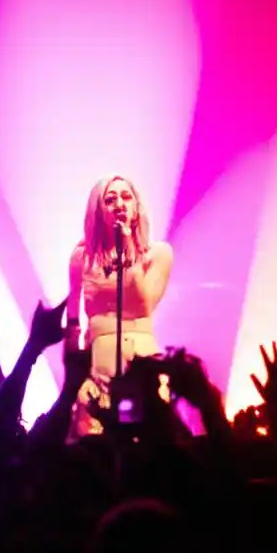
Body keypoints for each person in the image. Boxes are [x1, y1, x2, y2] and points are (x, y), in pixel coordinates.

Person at [65, 175, 173, 436]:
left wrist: (127, 251)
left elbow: (144, 304)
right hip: (98, 357)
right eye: (110, 199)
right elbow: (72, 309)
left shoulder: (158, 254)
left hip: (140, 354)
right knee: (94, 436)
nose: (119, 204)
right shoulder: (83, 256)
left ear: (136, 206)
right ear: (98, 210)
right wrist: (72, 364)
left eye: (126, 197)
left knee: (149, 434)